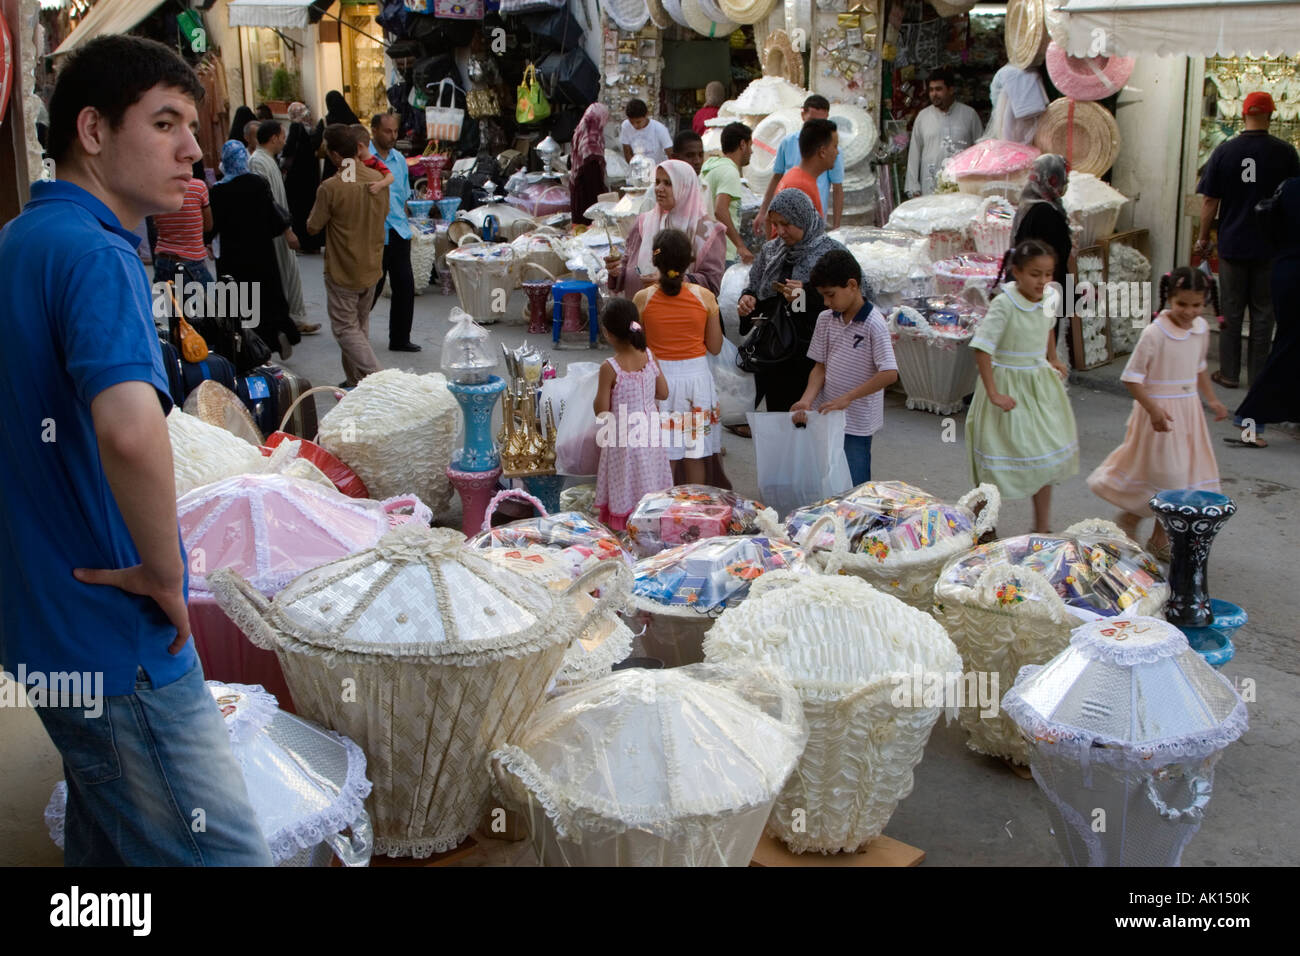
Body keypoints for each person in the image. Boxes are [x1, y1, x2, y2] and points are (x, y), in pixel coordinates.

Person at [0, 34, 271, 867]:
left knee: (112, 847)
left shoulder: (21, 240)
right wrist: (165, 573)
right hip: (118, 638)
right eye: (164, 123)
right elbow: (128, 427)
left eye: (193, 126)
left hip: (45, 627)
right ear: (91, 129)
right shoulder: (97, 252)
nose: (193, 149)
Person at [1087, 268, 1228, 559]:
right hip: (1158, 413)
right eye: (1182, 304)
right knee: (1167, 476)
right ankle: (1131, 517)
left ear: (1206, 304)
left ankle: (1158, 538)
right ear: (1169, 299)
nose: (1189, 311)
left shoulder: (1201, 329)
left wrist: (1212, 400)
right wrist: (1153, 410)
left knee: (1182, 478)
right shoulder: (1155, 333)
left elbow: (1199, 368)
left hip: (1188, 414)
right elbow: (1131, 377)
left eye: (1196, 305)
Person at [966, 239, 1078, 533]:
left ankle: (1042, 526)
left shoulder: (1048, 298)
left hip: (1038, 387)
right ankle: (982, 523)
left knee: (1043, 457)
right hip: (1006, 388)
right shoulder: (1005, 304)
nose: (1042, 281)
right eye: (1034, 274)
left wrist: (1052, 357)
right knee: (998, 462)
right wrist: (993, 393)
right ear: (1016, 272)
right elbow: (982, 348)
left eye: (1048, 274)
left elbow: (1048, 326)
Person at [1195, 91, 1300, 389]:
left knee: (1230, 310)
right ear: (1271, 115)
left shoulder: (1225, 151)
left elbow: (1209, 202)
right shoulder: (1286, 153)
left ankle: (1228, 373)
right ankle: (1259, 378)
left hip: (1233, 244)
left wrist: (1204, 239)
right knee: (1264, 314)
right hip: (1270, 247)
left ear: (1243, 115)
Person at [793, 250, 898, 485]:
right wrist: (807, 400)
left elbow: (889, 373)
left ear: (852, 285)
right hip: (826, 414)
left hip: (857, 422)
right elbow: (820, 367)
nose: (826, 302)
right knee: (825, 476)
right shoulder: (826, 319)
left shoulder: (874, 324)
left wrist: (848, 398)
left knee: (854, 482)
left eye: (830, 295)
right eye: (823, 296)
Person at [737, 189, 848, 413]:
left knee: (811, 422)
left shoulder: (831, 253)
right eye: (775, 224)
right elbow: (755, 288)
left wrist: (806, 295)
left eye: (786, 224)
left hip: (813, 354)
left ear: (802, 219)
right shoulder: (770, 251)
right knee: (779, 420)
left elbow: (851, 299)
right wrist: (747, 300)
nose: (780, 231)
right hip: (776, 353)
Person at [632, 229, 725, 485]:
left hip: (659, 384)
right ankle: (694, 512)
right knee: (695, 455)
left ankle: (662, 513)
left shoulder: (642, 299)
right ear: (689, 262)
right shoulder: (705, 297)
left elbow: (637, 347)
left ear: (655, 261)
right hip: (697, 384)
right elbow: (715, 347)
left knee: (665, 456)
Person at [307, 124, 387, 387]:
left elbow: (313, 226)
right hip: (372, 265)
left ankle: (378, 379)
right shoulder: (377, 180)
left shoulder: (331, 187)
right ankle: (357, 381)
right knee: (359, 326)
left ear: (336, 156)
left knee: (345, 329)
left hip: (344, 269)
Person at [209, 140, 299, 359]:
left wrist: (207, 241)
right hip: (261, 253)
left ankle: (242, 346)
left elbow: (213, 224)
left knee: (237, 301)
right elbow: (273, 215)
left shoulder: (219, 191)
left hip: (232, 256)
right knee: (266, 297)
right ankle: (274, 338)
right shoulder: (258, 183)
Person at [1231, 176, 1300, 446]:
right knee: (1288, 348)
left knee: (1290, 345)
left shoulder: (1290, 186)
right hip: (1294, 275)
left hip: (1285, 270)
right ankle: (1250, 419)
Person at [593, 299, 673, 530]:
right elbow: (664, 392)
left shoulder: (610, 367)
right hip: (650, 432)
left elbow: (602, 411)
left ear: (607, 333)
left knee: (626, 482)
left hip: (624, 439)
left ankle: (627, 529)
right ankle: (652, 524)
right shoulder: (649, 355)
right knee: (650, 477)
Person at [609, 159, 726, 296]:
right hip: (641, 311)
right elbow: (627, 267)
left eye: (668, 183)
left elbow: (712, 284)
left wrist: (669, 280)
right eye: (657, 182)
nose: (659, 188)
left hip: (679, 314)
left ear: (685, 187)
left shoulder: (708, 232)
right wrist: (615, 270)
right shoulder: (644, 223)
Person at [249, 120, 320, 336]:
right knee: (281, 273)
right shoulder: (258, 163)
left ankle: (295, 318)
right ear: (273, 138)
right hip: (274, 229)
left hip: (279, 226)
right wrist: (285, 228)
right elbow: (266, 200)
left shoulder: (267, 160)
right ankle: (286, 322)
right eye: (282, 136)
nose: (284, 140)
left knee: (289, 272)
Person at [1010, 153, 1073, 360]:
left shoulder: (1028, 204)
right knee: (1044, 351)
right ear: (1053, 179)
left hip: (1032, 287)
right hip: (1045, 291)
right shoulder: (1047, 213)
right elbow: (1057, 257)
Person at [756, 96, 845, 235]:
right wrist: (763, 212)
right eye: (813, 122)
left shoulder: (802, 180)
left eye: (821, 122)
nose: (837, 151)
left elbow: (838, 188)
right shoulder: (800, 185)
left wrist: (836, 228)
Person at [369, 112, 418, 352]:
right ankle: (354, 333)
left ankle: (400, 338)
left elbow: (404, 197)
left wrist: (409, 224)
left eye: (395, 131)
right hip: (374, 232)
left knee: (405, 287)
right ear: (374, 130)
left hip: (398, 230)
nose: (393, 136)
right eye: (387, 131)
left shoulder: (399, 160)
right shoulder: (362, 158)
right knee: (371, 288)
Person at [905, 69, 984, 198]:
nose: (934, 94)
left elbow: (981, 151)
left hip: (962, 188)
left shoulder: (969, 115)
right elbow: (914, 153)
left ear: (951, 90)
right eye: (931, 90)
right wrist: (913, 187)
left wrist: (980, 184)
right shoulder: (923, 117)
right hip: (930, 187)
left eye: (938, 89)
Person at [152, 159, 213, 287]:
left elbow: (156, 223)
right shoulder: (198, 187)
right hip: (191, 262)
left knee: (172, 306)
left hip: (163, 262)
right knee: (210, 304)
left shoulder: (157, 188)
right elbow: (208, 225)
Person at [700, 122, 754, 265]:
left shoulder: (712, 167)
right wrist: (740, 246)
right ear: (742, 144)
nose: (751, 151)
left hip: (706, 247)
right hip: (724, 251)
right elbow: (720, 210)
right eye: (750, 145)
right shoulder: (730, 171)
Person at [773, 118, 839, 222]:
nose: (837, 152)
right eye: (835, 147)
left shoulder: (796, 177)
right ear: (822, 152)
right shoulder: (801, 187)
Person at [284, 101, 323, 252]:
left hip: (297, 176)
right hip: (311, 174)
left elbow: (289, 148)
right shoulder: (312, 127)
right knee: (310, 206)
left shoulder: (295, 127)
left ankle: (303, 242)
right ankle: (312, 243)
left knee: (299, 210)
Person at [570, 102, 610, 226]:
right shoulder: (592, 141)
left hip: (577, 190)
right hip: (588, 196)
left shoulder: (580, 132)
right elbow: (592, 177)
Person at [319, 90, 360, 181]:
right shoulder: (352, 118)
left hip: (331, 163)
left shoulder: (325, 122)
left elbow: (315, 142)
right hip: (351, 161)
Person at [620, 98, 673, 165]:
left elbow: (670, 154)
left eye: (638, 122)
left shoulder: (660, 129)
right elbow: (627, 152)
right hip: (637, 168)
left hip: (656, 168)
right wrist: (634, 168)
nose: (635, 126)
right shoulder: (626, 126)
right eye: (631, 122)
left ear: (646, 115)